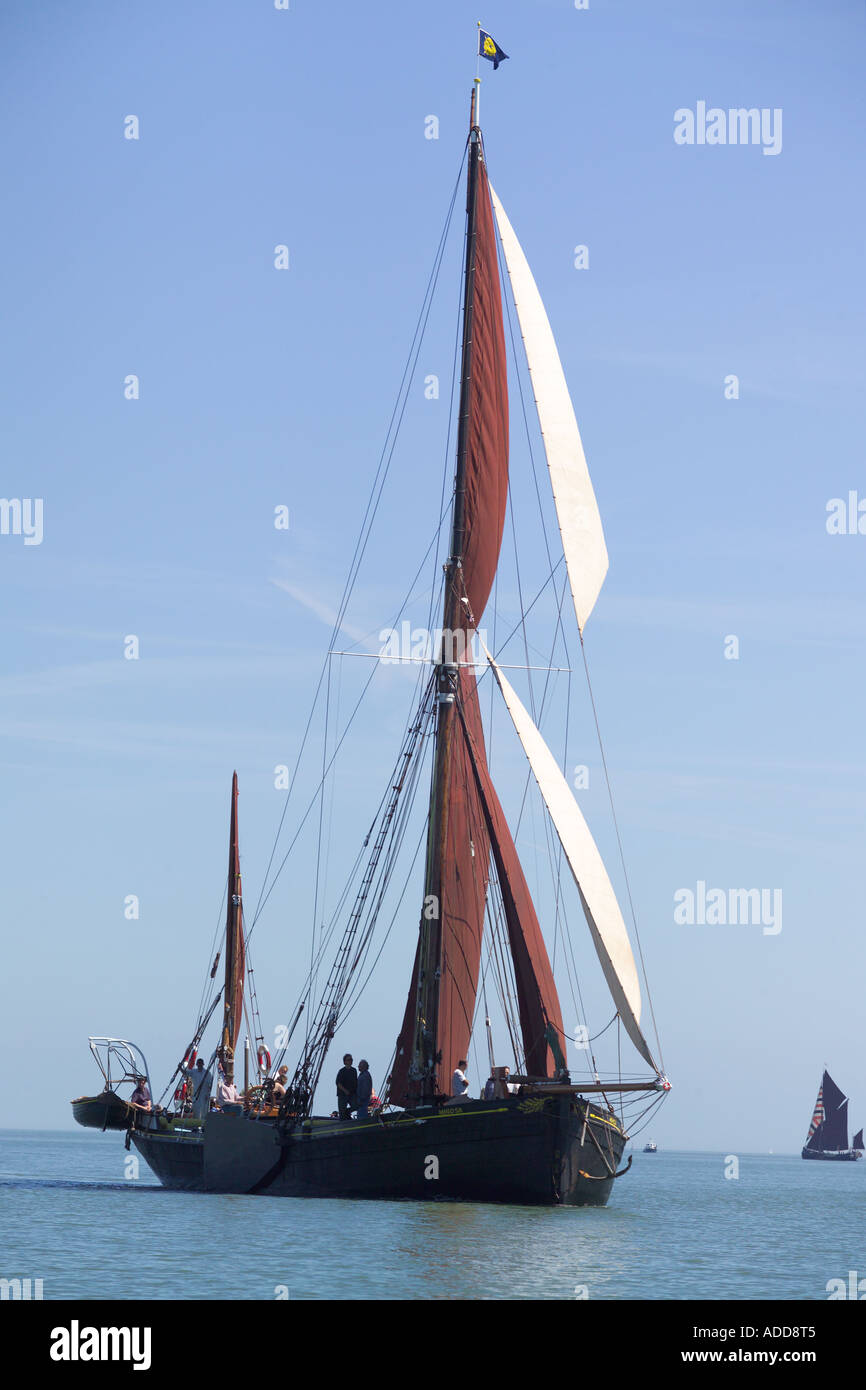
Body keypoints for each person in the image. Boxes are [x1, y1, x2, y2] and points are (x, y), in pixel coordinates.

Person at [336, 1054, 357, 1121]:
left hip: (351, 1094)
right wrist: (345, 1091)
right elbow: (338, 1083)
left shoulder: (354, 1070)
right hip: (342, 1094)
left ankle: (347, 1113)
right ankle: (343, 1121)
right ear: (345, 1062)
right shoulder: (342, 1071)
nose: (350, 1061)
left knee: (356, 1105)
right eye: (348, 1060)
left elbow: (355, 1082)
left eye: (351, 1060)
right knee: (342, 1113)